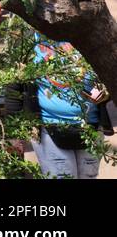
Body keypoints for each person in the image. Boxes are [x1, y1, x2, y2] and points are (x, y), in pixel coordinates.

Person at [31, 37, 106, 179]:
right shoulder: (28, 38)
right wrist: (13, 136)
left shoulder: (90, 32)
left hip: (91, 126)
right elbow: (15, 86)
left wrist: (106, 91)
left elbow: (110, 70)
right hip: (49, 126)